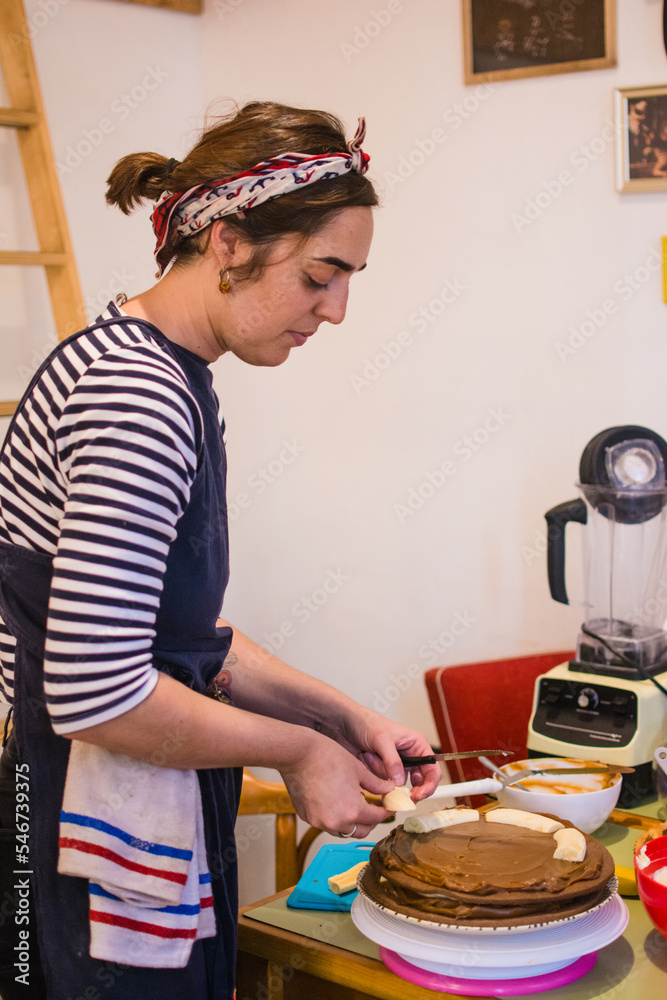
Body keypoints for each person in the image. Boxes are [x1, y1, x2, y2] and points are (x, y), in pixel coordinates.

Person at [0, 101, 441, 1000]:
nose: (337, 310)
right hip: (78, 832)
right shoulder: (136, 398)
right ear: (230, 243)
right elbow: (96, 691)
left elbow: (177, 639)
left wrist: (339, 721)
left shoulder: (162, 372)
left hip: (110, 804)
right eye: (320, 275)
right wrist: (299, 754)